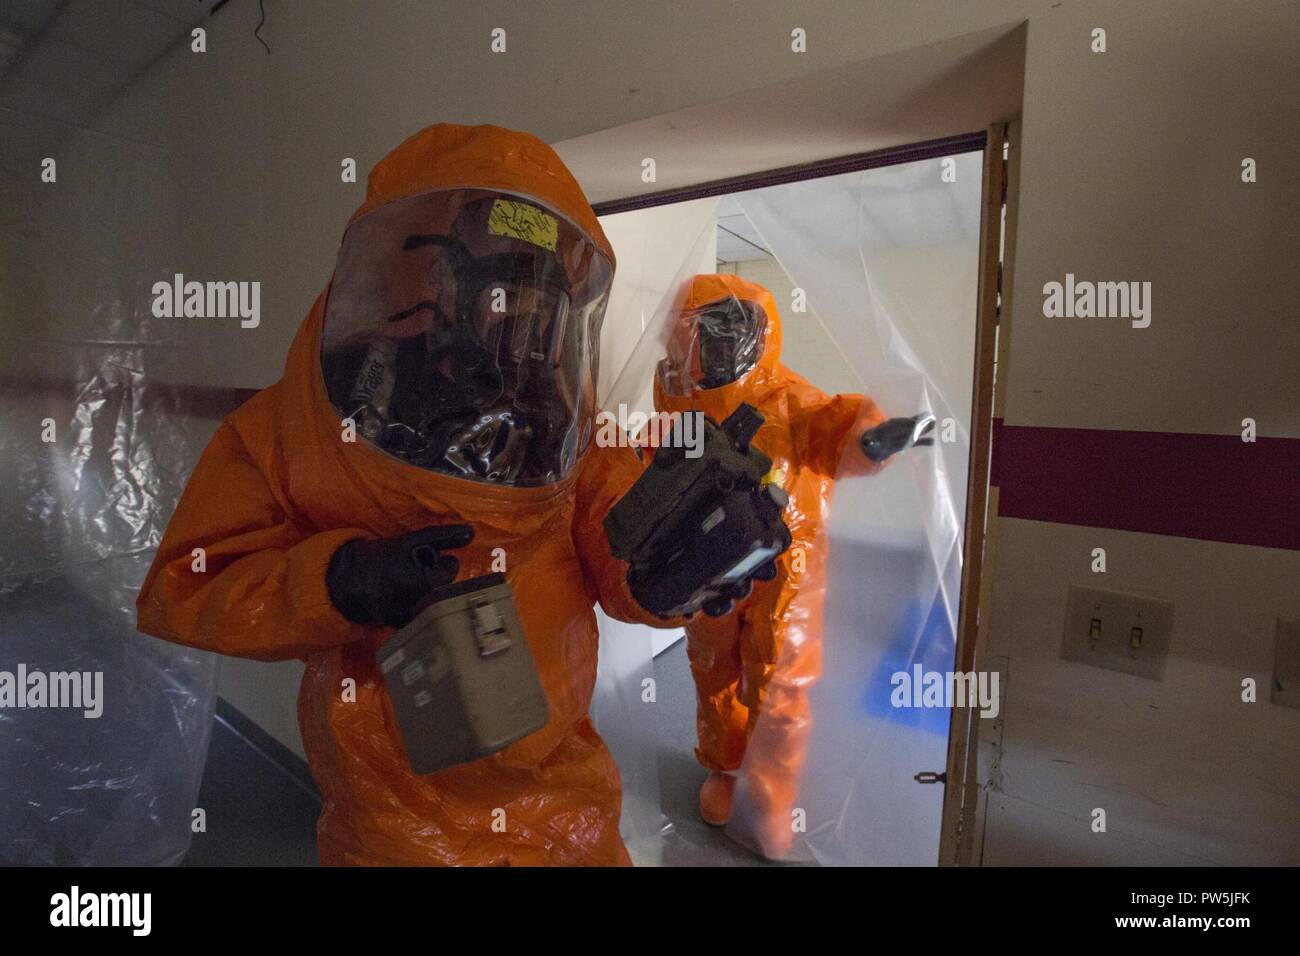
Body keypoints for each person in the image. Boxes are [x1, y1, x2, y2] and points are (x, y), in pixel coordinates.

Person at [136, 125, 763, 866]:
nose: (516, 317)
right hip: (392, 819)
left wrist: (668, 571)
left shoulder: (563, 424)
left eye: (536, 294)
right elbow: (186, 587)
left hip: (562, 802)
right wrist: (339, 582)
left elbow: (612, 544)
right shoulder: (300, 425)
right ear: (429, 276)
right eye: (497, 286)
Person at [654, 273, 932, 858]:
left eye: (719, 331)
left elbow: (837, 427)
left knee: (781, 680)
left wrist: (875, 441)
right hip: (706, 564)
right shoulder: (677, 399)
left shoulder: (786, 397)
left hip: (788, 565)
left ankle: (775, 794)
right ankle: (725, 770)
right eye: (698, 331)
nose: (705, 346)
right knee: (713, 670)